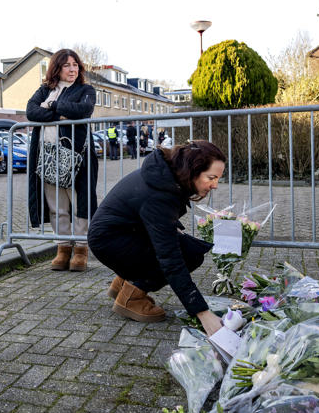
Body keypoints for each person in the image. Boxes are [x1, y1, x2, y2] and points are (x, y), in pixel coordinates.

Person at [88, 141, 226, 336]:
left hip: (120, 235)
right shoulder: (159, 193)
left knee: (190, 247)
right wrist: (202, 313)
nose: (215, 185)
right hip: (111, 243)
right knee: (189, 255)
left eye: (218, 178)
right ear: (193, 170)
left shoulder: (164, 176)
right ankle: (131, 297)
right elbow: (170, 259)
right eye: (211, 178)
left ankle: (122, 283)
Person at [27, 49, 98, 272]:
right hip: (47, 157)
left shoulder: (85, 89)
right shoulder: (44, 89)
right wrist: (61, 115)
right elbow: (31, 111)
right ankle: (63, 248)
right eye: (67, 65)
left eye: (75, 64)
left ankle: (80, 251)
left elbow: (84, 110)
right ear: (57, 68)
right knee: (57, 206)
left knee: (79, 204)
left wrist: (52, 105)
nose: (73, 69)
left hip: (76, 158)